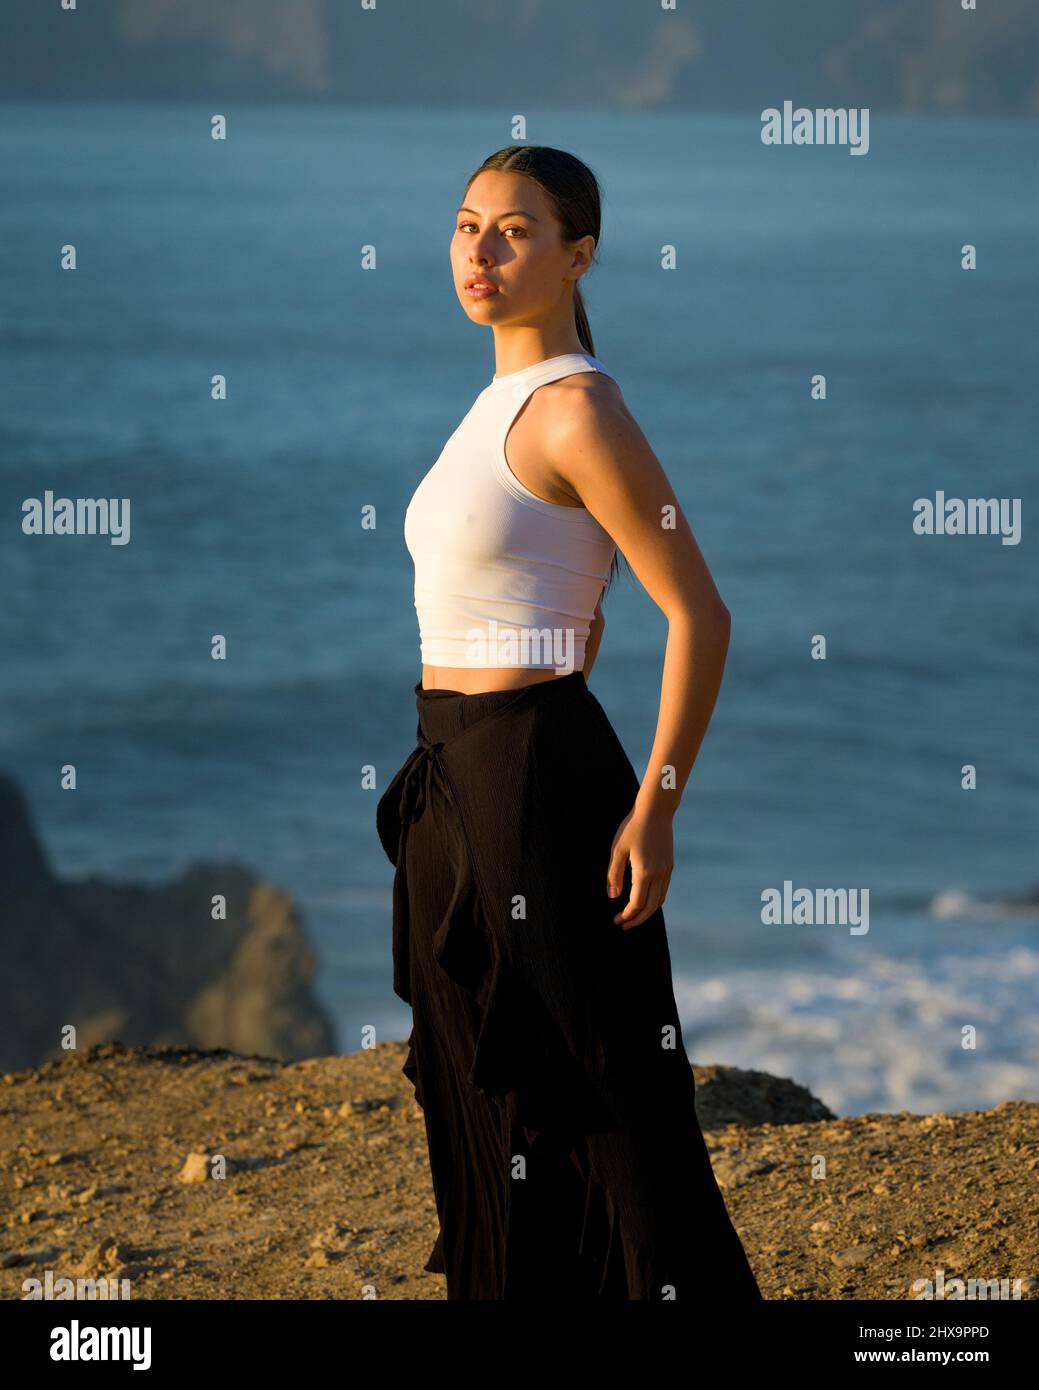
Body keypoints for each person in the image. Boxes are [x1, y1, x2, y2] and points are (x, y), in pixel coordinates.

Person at [376, 144, 762, 1301]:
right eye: (464, 225)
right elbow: (565, 606)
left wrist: (657, 804)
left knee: (602, 1103)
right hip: (450, 778)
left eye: (513, 230)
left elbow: (698, 611)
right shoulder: (491, 405)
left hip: (537, 783)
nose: (479, 251)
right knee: (490, 1104)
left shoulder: (577, 408)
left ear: (577, 253)